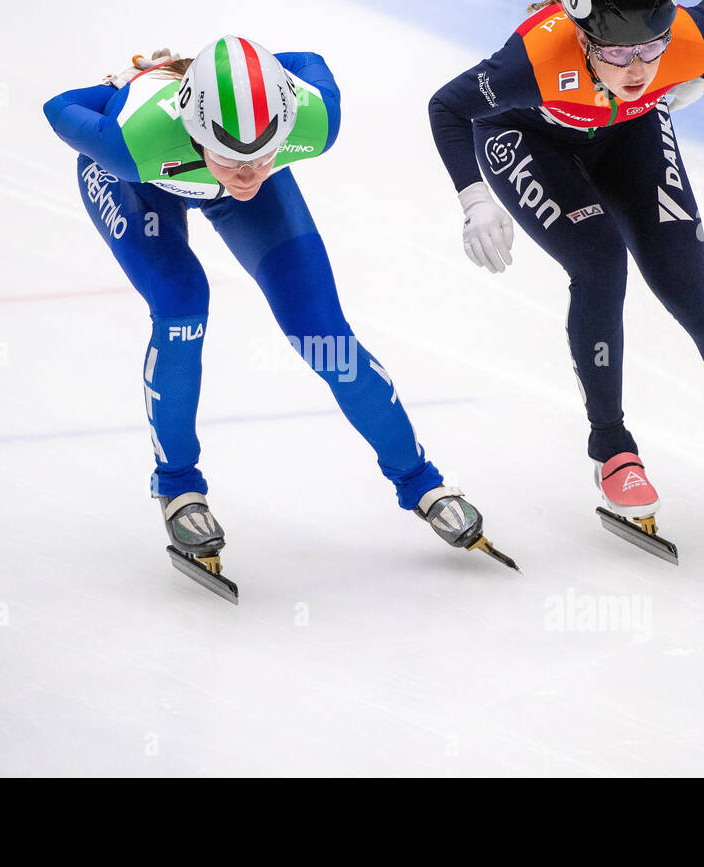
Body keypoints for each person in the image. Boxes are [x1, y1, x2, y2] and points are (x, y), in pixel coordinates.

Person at [44, 36, 513, 597]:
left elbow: (310, 59)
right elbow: (58, 106)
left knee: (325, 338)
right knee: (181, 304)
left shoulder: (315, 120)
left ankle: (421, 482)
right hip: (141, 182)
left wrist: (253, 71)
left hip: (213, 165)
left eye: (262, 154)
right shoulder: (131, 140)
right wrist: (116, 86)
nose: (244, 172)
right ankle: (177, 485)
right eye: (231, 156)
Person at [427, 0, 704, 545]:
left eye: (652, 47)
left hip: (630, 132)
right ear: (585, 38)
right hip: (530, 138)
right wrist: (473, 199)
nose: (639, 68)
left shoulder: (691, 40)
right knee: (599, 263)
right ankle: (612, 448)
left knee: (687, 285)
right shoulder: (535, 59)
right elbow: (446, 107)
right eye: (618, 52)